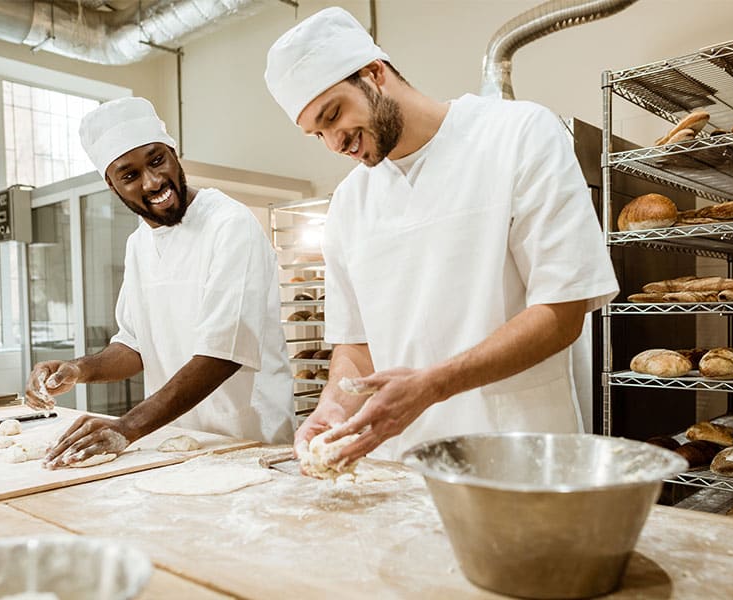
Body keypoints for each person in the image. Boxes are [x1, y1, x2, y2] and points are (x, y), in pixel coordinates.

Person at [264, 8, 619, 465]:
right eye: (318, 134)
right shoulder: (350, 203)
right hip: (399, 466)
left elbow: (562, 310)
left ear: (374, 73)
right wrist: (335, 403)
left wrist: (432, 386)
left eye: (333, 115)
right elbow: (356, 345)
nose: (335, 143)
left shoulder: (518, 134)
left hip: (518, 452)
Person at [24, 97, 294, 468]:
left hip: (247, 442)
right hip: (175, 442)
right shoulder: (138, 244)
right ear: (112, 185)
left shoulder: (229, 224)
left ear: (173, 152)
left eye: (156, 160)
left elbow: (224, 353)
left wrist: (127, 427)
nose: (152, 182)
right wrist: (79, 368)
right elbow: (134, 346)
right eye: (130, 175)